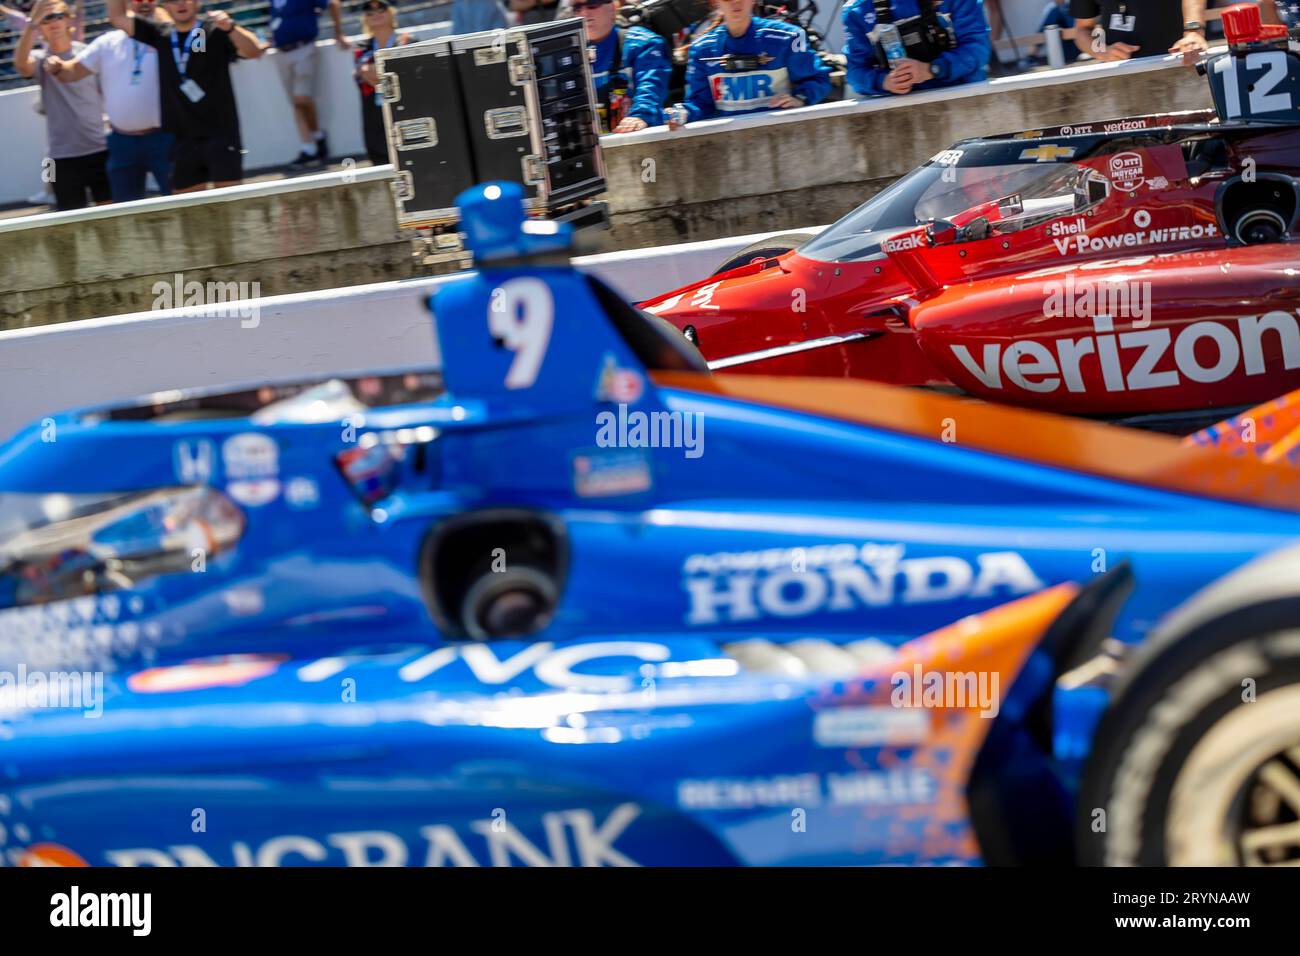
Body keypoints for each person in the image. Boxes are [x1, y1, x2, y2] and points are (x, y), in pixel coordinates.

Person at [105, 0, 264, 193]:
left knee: (228, 207)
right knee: (191, 213)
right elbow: (118, 17)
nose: (180, 4)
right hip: (182, 140)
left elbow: (254, 51)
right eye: (172, 1)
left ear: (196, 2)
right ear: (165, 6)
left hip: (221, 137)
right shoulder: (160, 34)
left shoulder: (210, 30)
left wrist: (230, 28)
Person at [43, 0, 174, 202]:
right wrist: (58, 66)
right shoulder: (107, 42)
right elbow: (72, 72)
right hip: (122, 142)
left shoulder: (167, 36)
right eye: (138, 0)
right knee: (123, 211)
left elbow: (198, 49)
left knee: (180, 202)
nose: (144, 3)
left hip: (164, 137)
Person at [669, 0, 830, 127]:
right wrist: (682, 113)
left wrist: (800, 98)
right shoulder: (701, 49)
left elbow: (819, 79)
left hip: (783, 139)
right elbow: (700, 103)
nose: (736, 2)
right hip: (731, 148)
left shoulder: (788, 37)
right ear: (715, 2)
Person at [14, 0, 110, 211]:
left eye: (58, 15)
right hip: (60, 158)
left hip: (100, 149)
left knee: (112, 220)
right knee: (70, 226)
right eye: (46, 18)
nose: (53, 22)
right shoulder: (39, 59)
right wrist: (31, 23)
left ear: (69, 21)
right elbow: (21, 65)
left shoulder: (89, 54)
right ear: (40, 28)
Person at [841, 0, 991, 98]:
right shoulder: (856, 12)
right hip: (901, 114)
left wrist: (932, 70)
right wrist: (884, 82)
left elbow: (977, 50)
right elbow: (855, 73)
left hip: (964, 97)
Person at [269, 0, 347, 170]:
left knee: (301, 99)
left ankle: (313, 141)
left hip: (304, 48)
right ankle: (311, 145)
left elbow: (333, 3)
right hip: (281, 52)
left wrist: (338, 33)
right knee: (296, 103)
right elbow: (278, 19)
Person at [578, 0, 669, 133]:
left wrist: (640, 115)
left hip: (640, 140)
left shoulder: (643, 43)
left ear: (612, 7)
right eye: (577, 7)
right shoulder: (569, 53)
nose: (584, 12)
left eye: (592, 4)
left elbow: (650, 85)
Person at [352, 0, 409, 165]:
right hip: (375, 117)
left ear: (390, 12)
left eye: (381, 10)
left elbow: (404, 74)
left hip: (403, 110)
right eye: (369, 13)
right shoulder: (362, 47)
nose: (376, 15)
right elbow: (364, 77)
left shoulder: (407, 41)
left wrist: (375, 73)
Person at [1068, 0, 1181, 61]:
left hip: (1177, 63)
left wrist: (1193, 31)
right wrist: (1103, 52)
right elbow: (1082, 30)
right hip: (1121, 77)